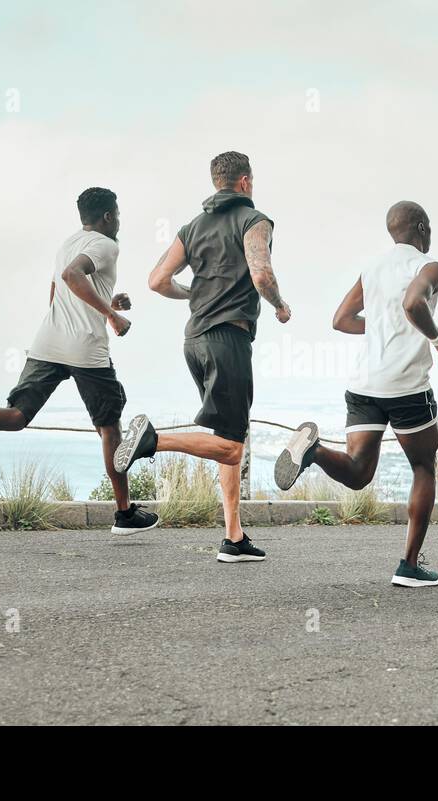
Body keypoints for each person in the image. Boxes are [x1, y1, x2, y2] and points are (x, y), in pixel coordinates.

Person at [0, 187, 159, 536]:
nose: (120, 221)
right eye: (118, 214)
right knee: (110, 426)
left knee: (17, 415)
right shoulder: (106, 244)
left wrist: (108, 302)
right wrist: (110, 317)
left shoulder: (68, 243)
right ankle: (124, 513)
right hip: (86, 350)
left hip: (48, 343)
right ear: (108, 216)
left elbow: (58, 291)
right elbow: (72, 277)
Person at [115, 151, 291, 563]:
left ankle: (234, 537)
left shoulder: (192, 227)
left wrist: (194, 294)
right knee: (231, 447)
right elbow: (261, 273)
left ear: (217, 182)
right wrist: (280, 306)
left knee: (228, 437)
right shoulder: (254, 220)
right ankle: (152, 441)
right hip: (227, 339)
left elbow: (158, 280)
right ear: (245, 182)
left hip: (194, 339)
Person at [272, 201, 438, 587]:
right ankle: (409, 566)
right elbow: (412, 304)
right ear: (421, 228)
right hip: (407, 387)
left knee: (358, 473)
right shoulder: (431, 267)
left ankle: (314, 451)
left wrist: (383, 330)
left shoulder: (372, 269)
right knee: (423, 467)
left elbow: (341, 321)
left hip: (364, 386)